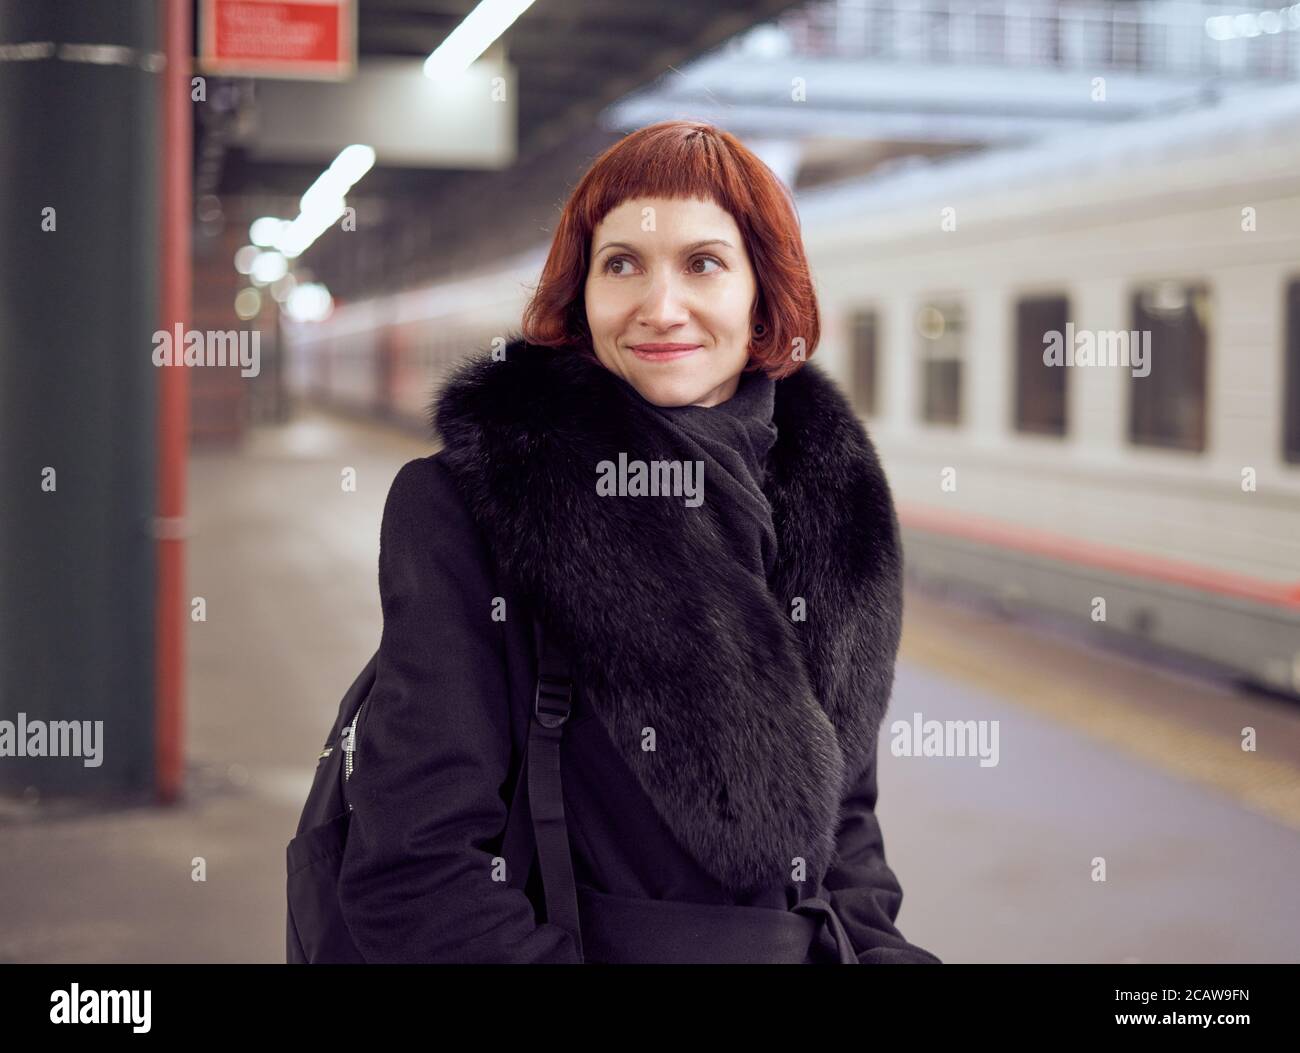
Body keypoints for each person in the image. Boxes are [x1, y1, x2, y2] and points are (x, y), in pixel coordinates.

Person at [335, 120, 941, 965]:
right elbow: (412, 868)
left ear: (764, 292)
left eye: (703, 264)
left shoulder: (837, 509)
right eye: (621, 264)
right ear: (579, 293)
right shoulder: (475, 506)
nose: (661, 308)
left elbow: (844, 827)